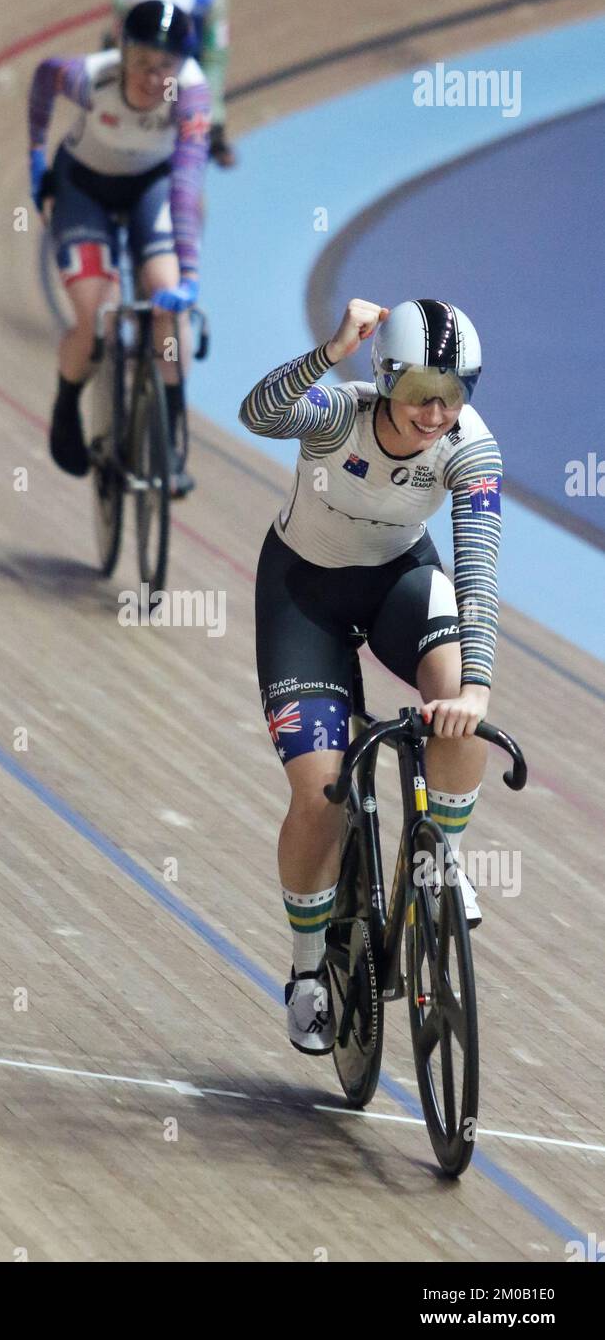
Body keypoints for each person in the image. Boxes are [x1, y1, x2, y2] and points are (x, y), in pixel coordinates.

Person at [239, 298, 502, 1055]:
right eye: (421, 392)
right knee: (321, 793)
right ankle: (308, 966)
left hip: (400, 587)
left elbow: (477, 576)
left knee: (461, 706)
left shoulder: (470, 449)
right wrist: (328, 351)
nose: (436, 413)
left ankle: (438, 861)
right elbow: (259, 411)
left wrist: (474, 691)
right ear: (384, 378)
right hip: (305, 599)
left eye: (454, 396)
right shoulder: (337, 413)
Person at [28, 0, 211, 496]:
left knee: (167, 305)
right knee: (98, 316)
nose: (155, 77)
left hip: (152, 188)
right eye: (144, 62)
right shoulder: (91, 77)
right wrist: (36, 157)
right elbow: (44, 76)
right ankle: (67, 405)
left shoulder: (190, 94)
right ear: (123, 50)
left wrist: (189, 276)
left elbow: (187, 183)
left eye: (166, 66)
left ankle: (171, 442)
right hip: (82, 188)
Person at [111, 0, 236, 166]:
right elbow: (119, 55)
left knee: (171, 123)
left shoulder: (211, 6)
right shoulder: (124, 1)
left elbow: (214, 62)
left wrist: (213, 121)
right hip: (143, 61)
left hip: (179, 68)